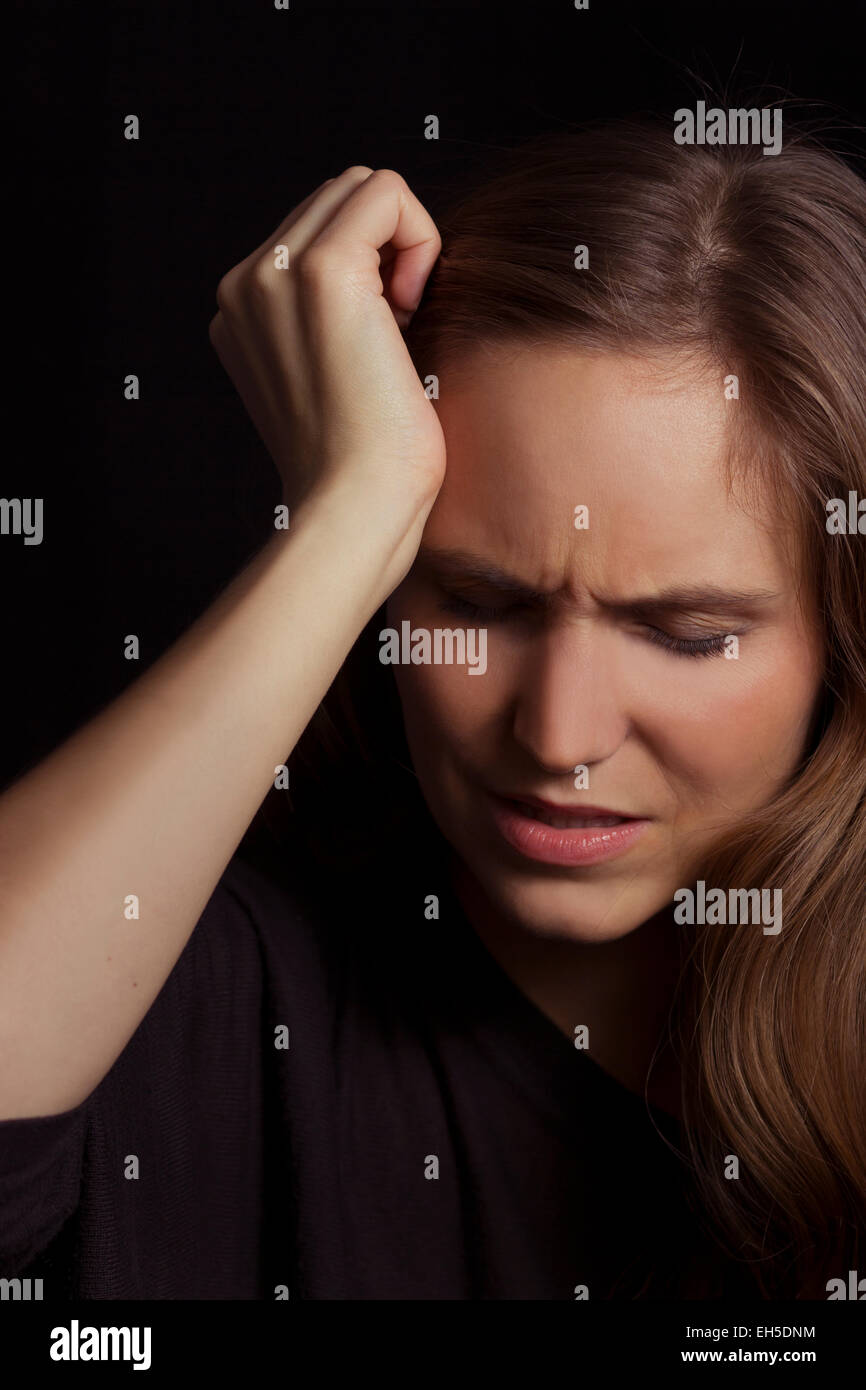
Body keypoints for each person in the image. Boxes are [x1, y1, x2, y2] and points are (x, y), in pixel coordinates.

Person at [1, 117, 864, 1301]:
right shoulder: (216, 989)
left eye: (684, 634)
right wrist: (350, 509)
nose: (558, 736)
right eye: (477, 601)